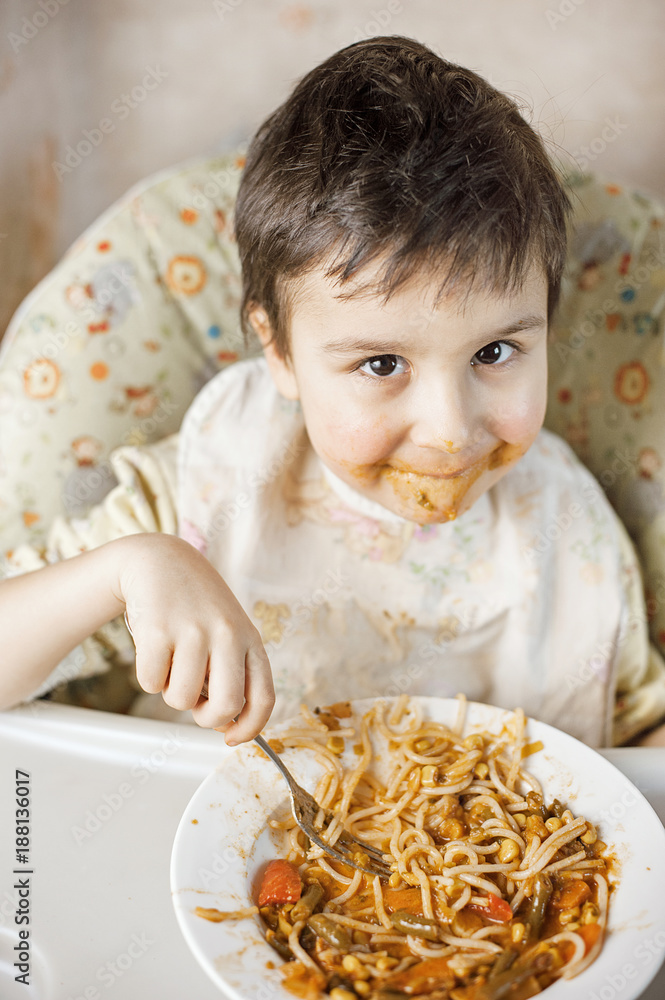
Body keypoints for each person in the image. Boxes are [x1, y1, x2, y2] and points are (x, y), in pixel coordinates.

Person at [1, 36, 664, 747]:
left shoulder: (568, 530)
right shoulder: (195, 496)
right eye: (381, 365)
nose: (448, 429)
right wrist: (128, 568)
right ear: (279, 352)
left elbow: (634, 747)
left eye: (494, 352)